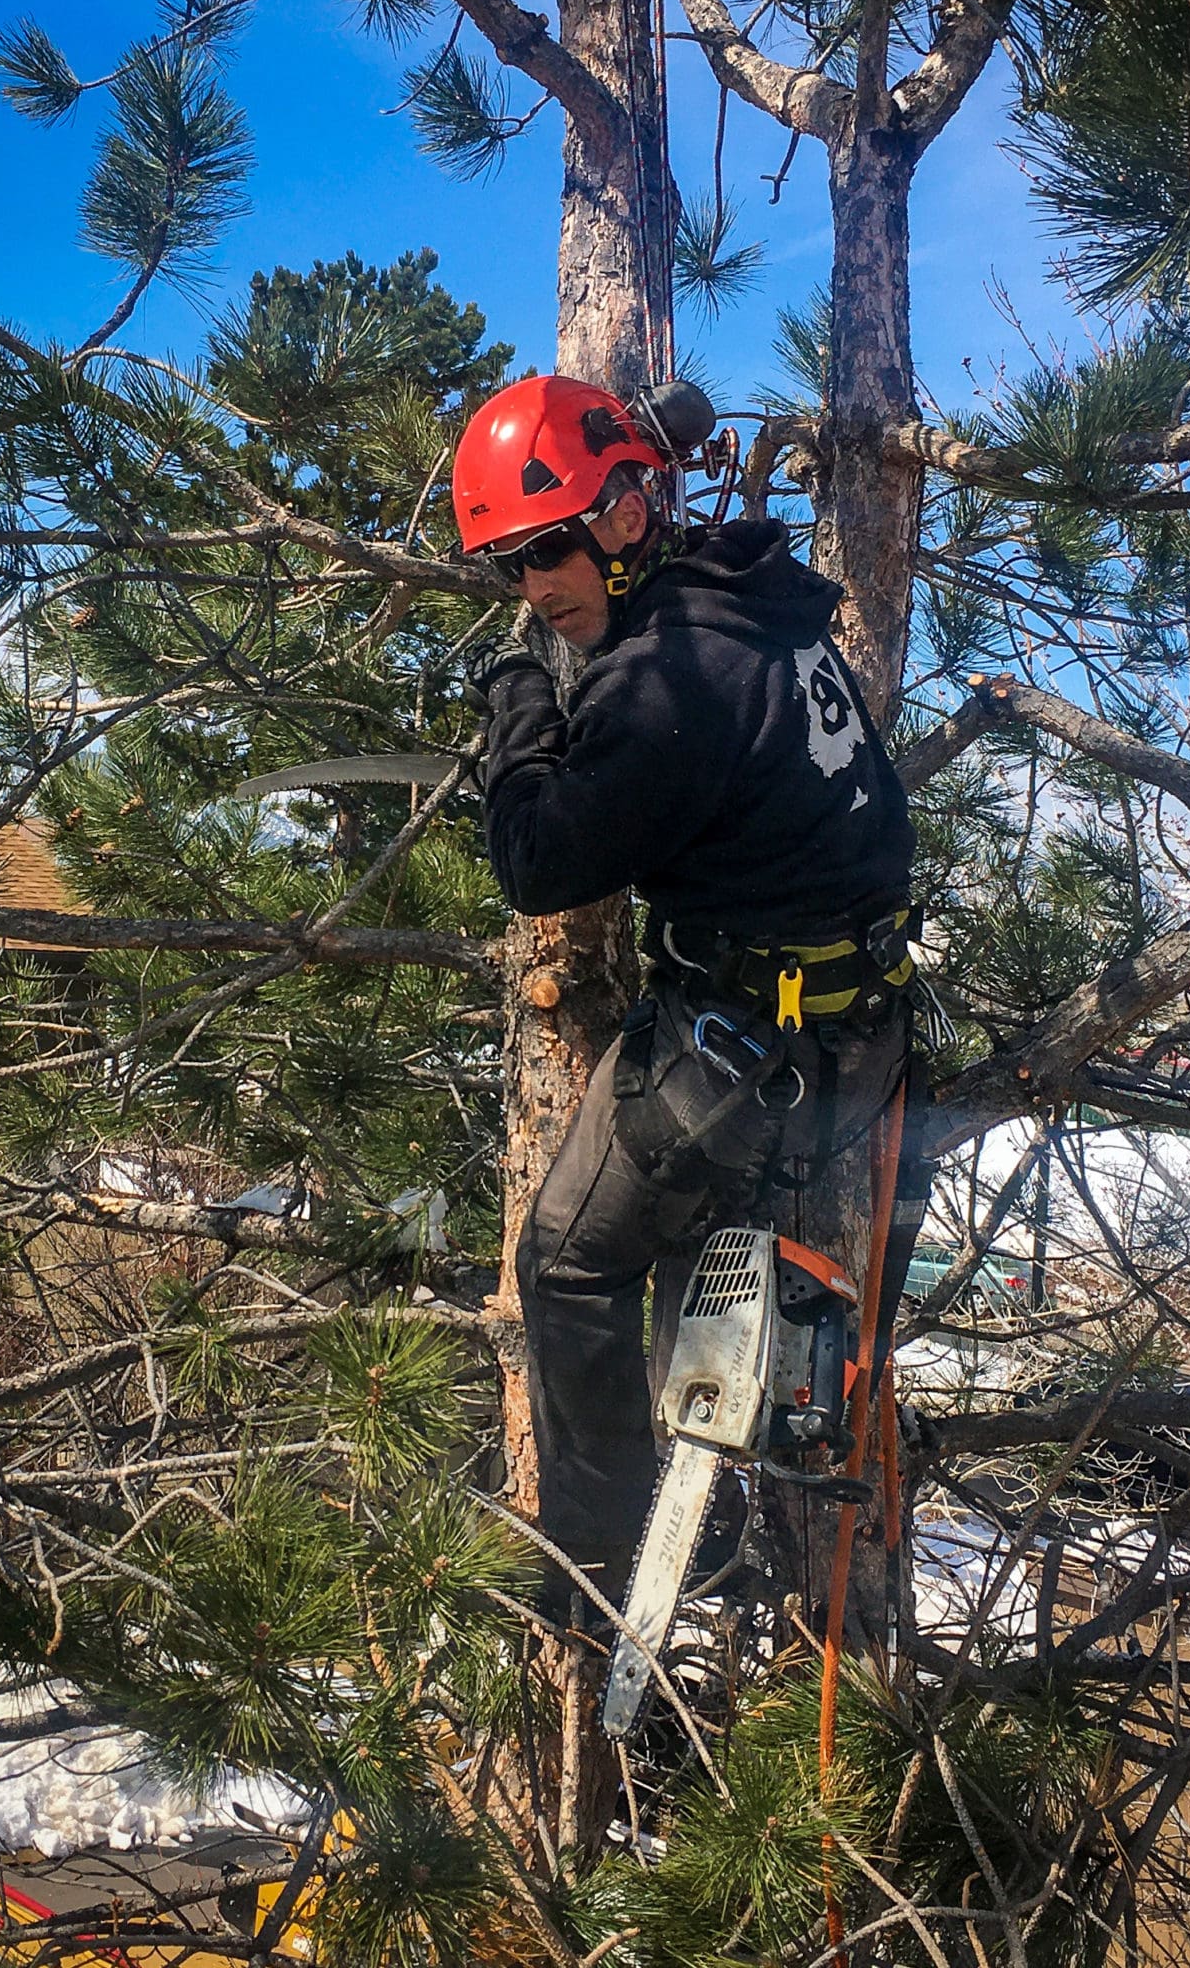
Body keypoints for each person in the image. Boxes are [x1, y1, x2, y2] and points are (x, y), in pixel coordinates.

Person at [451, 373, 916, 1613]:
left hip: (756, 1039)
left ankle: (594, 1553)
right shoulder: (745, 594)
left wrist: (515, 711)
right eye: (510, 566)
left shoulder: (664, 672)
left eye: (548, 550)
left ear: (620, 513)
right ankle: (691, 1508)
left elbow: (539, 860)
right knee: (671, 1248)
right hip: (850, 1020)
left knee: (563, 1262)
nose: (536, 591)